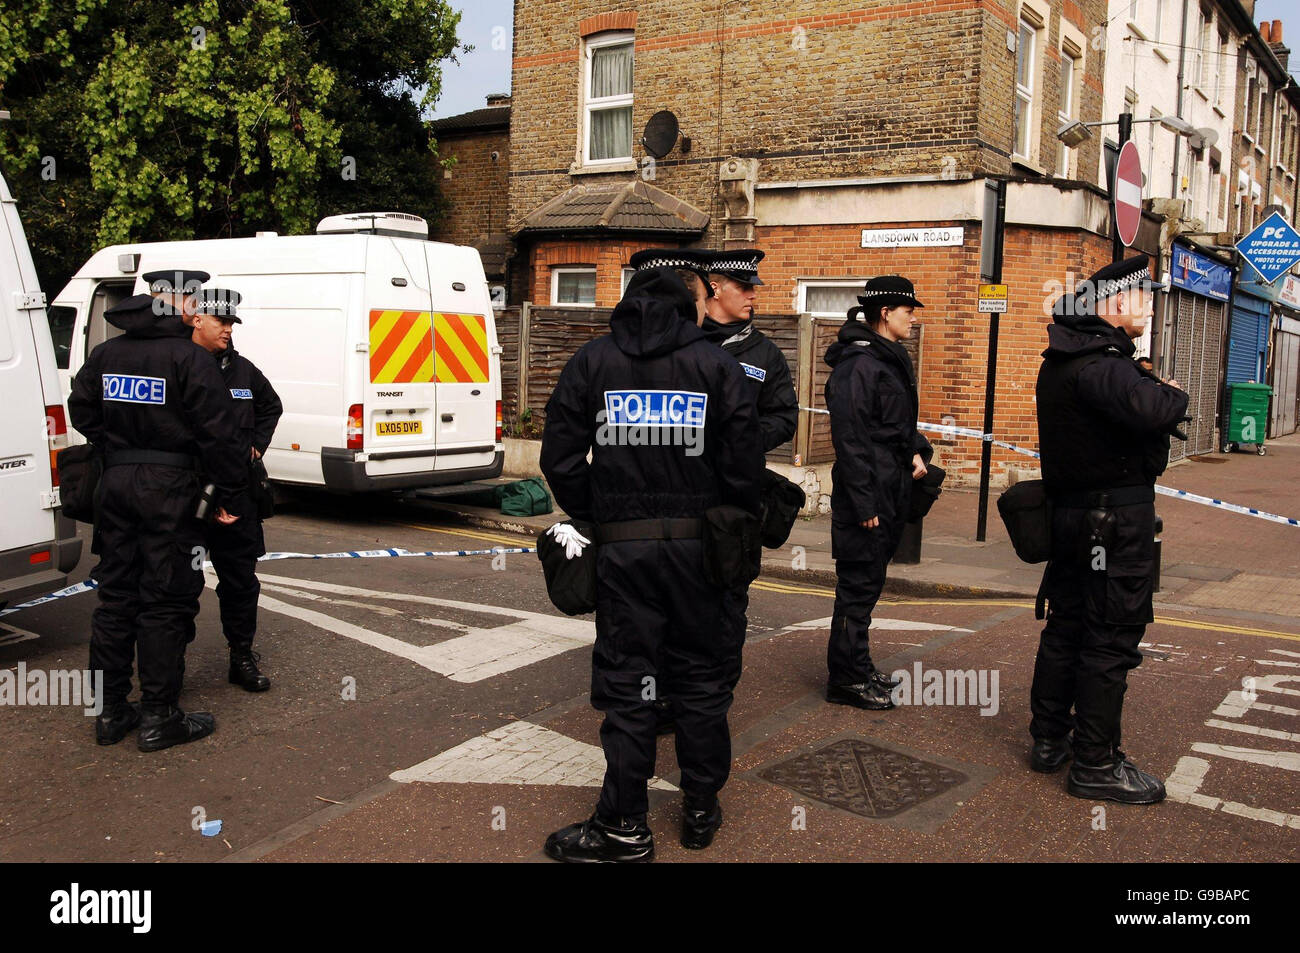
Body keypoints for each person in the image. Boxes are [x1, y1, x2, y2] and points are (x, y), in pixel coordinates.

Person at [539, 260, 764, 861]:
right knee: (701, 680)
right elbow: (744, 465)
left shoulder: (593, 362)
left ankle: (624, 826)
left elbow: (559, 458)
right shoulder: (716, 365)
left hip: (624, 552)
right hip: (701, 555)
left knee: (630, 687)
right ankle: (699, 807)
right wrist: (721, 517)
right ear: (689, 305)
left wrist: (603, 515)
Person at [1031, 255, 1189, 803]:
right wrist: (1171, 393)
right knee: (1109, 640)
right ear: (1117, 303)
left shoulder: (1066, 358)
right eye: (1144, 299)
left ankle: (1050, 739)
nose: (1150, 308)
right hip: (1113, 526)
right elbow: (1154, 408)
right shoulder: (1104, 363)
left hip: (1074, 519)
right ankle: (1095, 763)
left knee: (1068, 627)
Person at [67, 287, 249, 752]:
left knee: (116, 598)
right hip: (170, 491)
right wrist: (225, 494)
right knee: (165, 601)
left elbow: (81, 409)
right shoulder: (190, 360)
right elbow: (221, 435)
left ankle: (109, 713)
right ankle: (159, 716)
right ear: (178, 318)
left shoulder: (106, 353)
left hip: (116, 486)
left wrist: (119, 446)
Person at [824, 275, 932, 710]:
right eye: (908, 312)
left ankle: (859, 666)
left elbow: (892, 425)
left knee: (868, 587)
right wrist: (864, 502)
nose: (913, 319)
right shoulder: (859, 366)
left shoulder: (886, 359)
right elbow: (850, 438)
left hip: (888, 487)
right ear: (885, 314)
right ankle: (846, 680)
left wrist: (916, 450)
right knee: (856, 589)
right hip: (865, 497)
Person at [191, 289, 282, 692]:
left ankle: (241, 656)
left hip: (238, 494)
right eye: (221, 322)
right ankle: (168, 667)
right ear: (197, 321)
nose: (228, 330)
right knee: (178, 585)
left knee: (241, 581)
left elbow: (271, 405)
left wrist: (257, 443)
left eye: (231, 323)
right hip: (188, 495)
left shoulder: (242, 369)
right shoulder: (181, 364)